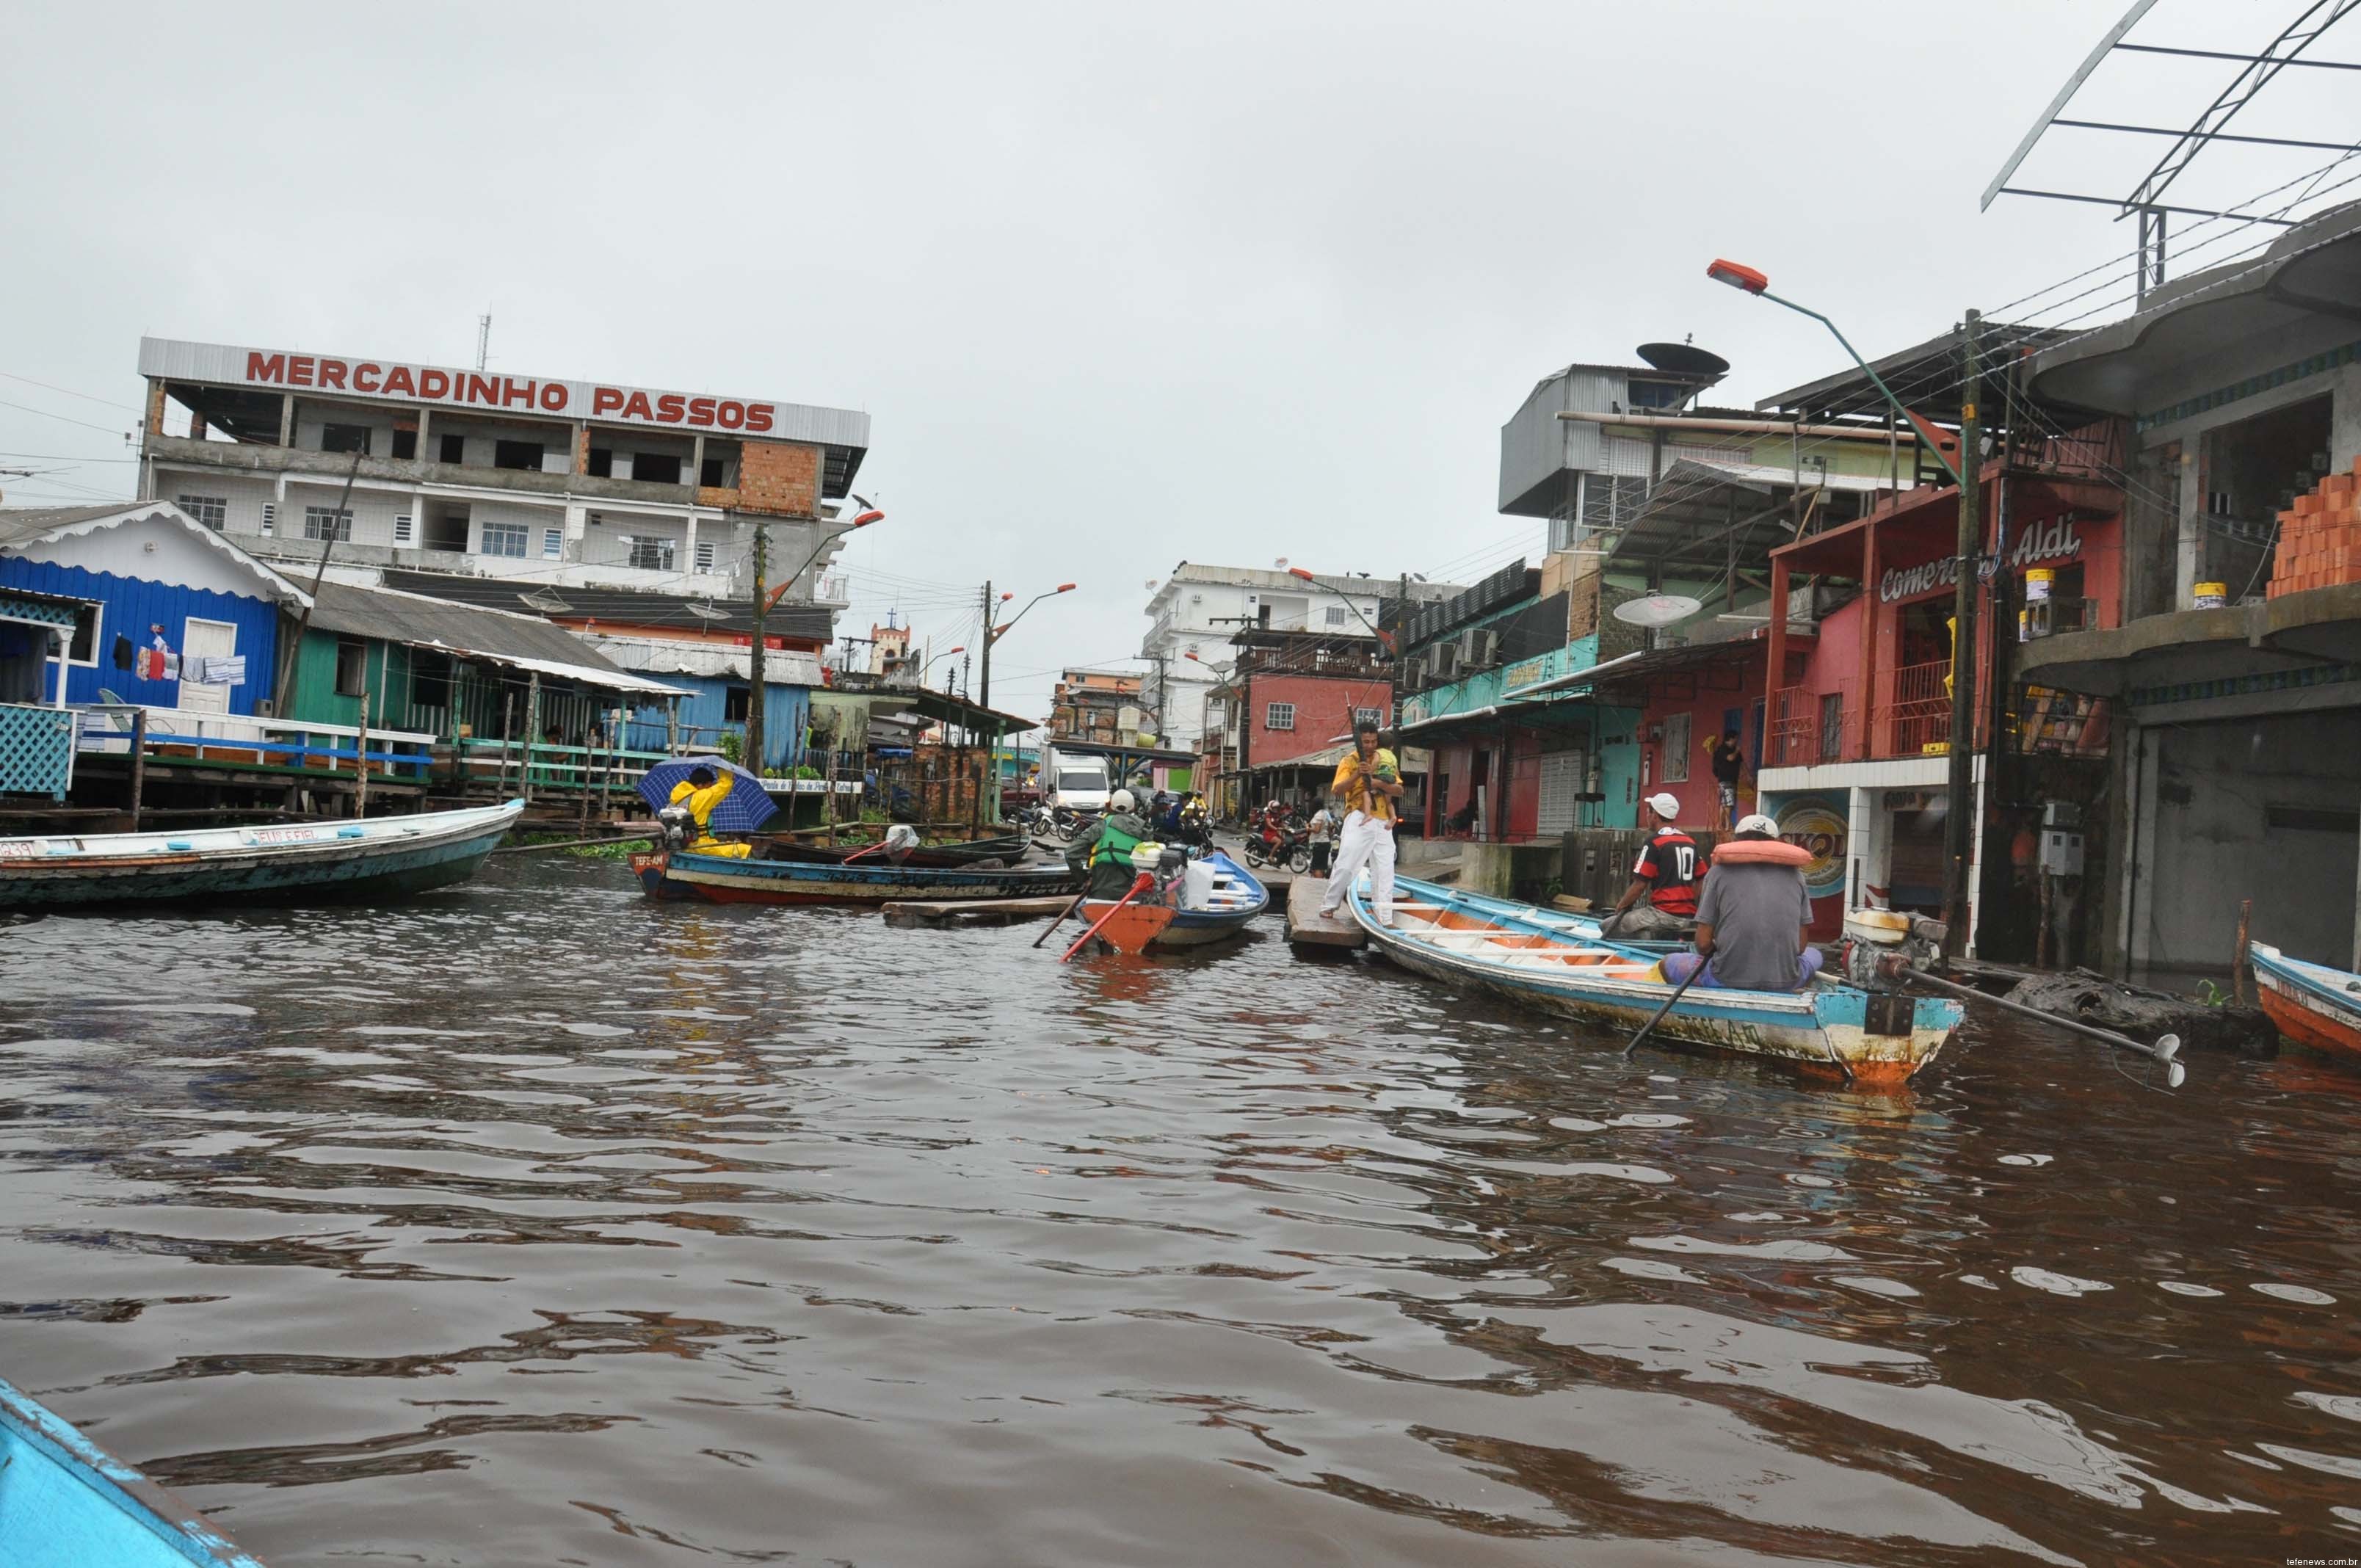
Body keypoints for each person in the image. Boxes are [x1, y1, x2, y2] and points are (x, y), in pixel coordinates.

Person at [1661, 813, 1823, 991]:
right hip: (1787, 979)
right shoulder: (1797, 876)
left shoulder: (1717, 873)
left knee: (1667, 963)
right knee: (1815, 954)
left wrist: (1719, 948)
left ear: (1736, 840)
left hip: (1726, 978)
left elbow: (1702, 944)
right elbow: (1800, 948)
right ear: (1776, 842)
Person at [1319, 720, 1403, 925]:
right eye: (1365, 742)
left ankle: (1384, 917)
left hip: (1383, 821)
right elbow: (1337, 790)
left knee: (1385, 871)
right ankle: (1329, 905)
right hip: (1359, 817)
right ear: (1359, 741)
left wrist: (1378, 783)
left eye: (1373, 741)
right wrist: (1359, 773)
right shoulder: (1349, 761)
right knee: (1347, 865)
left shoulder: (1385, 759)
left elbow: (1399, 790)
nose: (1370, 746)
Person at [1605, 792, 1700, 940]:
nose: (1647, 816)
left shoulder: (1654, 842)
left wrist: (1622, 904)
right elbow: (1702, 878)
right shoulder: (1689, 841)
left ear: (1655, 815)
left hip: (1663, 914)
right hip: (1689, 915)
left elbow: (1639, 885)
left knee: (1607, 926)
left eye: (1648, 812)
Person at [1067, 787, 1153, 899]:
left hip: (1101, 893)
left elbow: (1070, 853)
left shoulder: (1101, 826)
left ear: (1111, 806)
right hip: (1134, 895)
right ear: (1133, 808)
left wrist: (1084, 879)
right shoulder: (1145, 829)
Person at [667, 764, 752, 858]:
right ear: (700, 785)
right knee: (742, 849)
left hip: (681, 845)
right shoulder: (700, 798)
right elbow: (724, 786)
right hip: (700, 847)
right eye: (709, 786)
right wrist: (725, 772)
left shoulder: (675, 799)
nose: (710, 788)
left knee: (727, 845)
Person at [1305, 802, 1335, 875]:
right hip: (1326, 843)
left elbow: (1317, 830)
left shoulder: (1319, 815)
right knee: (1320, 868)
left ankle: (1318, 884)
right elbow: (1332, 826)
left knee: (1317, 868)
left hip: (1319, 844)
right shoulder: (1326, 813)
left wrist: (1308, 828)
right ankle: (1319, 883)